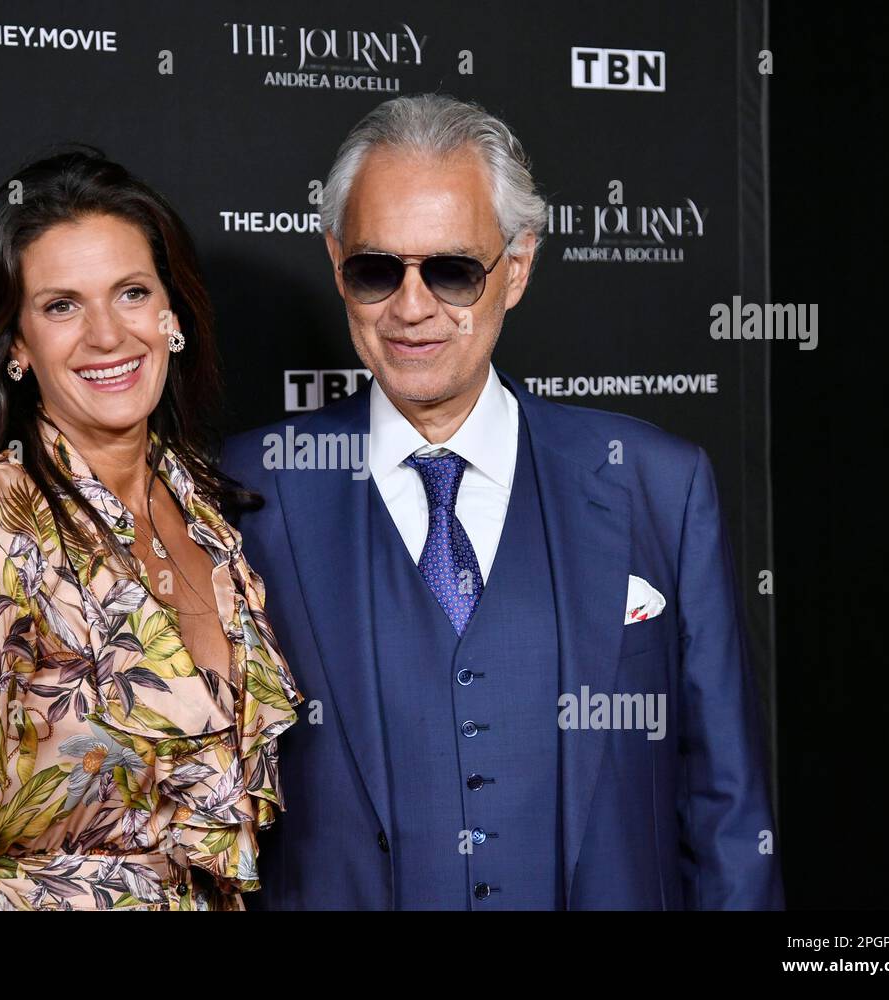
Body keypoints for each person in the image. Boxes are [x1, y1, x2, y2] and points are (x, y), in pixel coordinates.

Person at [221, 94, 785, 909]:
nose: (412, 309)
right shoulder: (250, 492)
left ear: (515, 268)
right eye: (377, 270)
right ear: (336, 261)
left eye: (452, 270)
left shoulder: (657, 485)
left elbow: (727, 811)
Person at [0, 147, 303, 911]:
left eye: (131, 293)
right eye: (61, 305)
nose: (107, 335)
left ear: (170, 313)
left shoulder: (208, 517)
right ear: (17, 344)